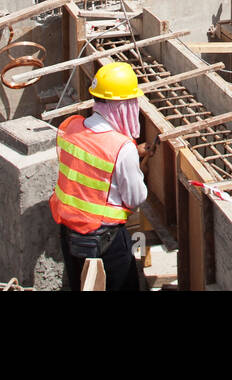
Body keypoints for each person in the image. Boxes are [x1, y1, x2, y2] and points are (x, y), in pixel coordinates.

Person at [50, 62, 148, 291]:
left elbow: (88, 168)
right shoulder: (122, 148)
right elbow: (135, 199)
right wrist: (135, 163)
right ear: (123, 106)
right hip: (106, 242)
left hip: (69, 235)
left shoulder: (70, 127)